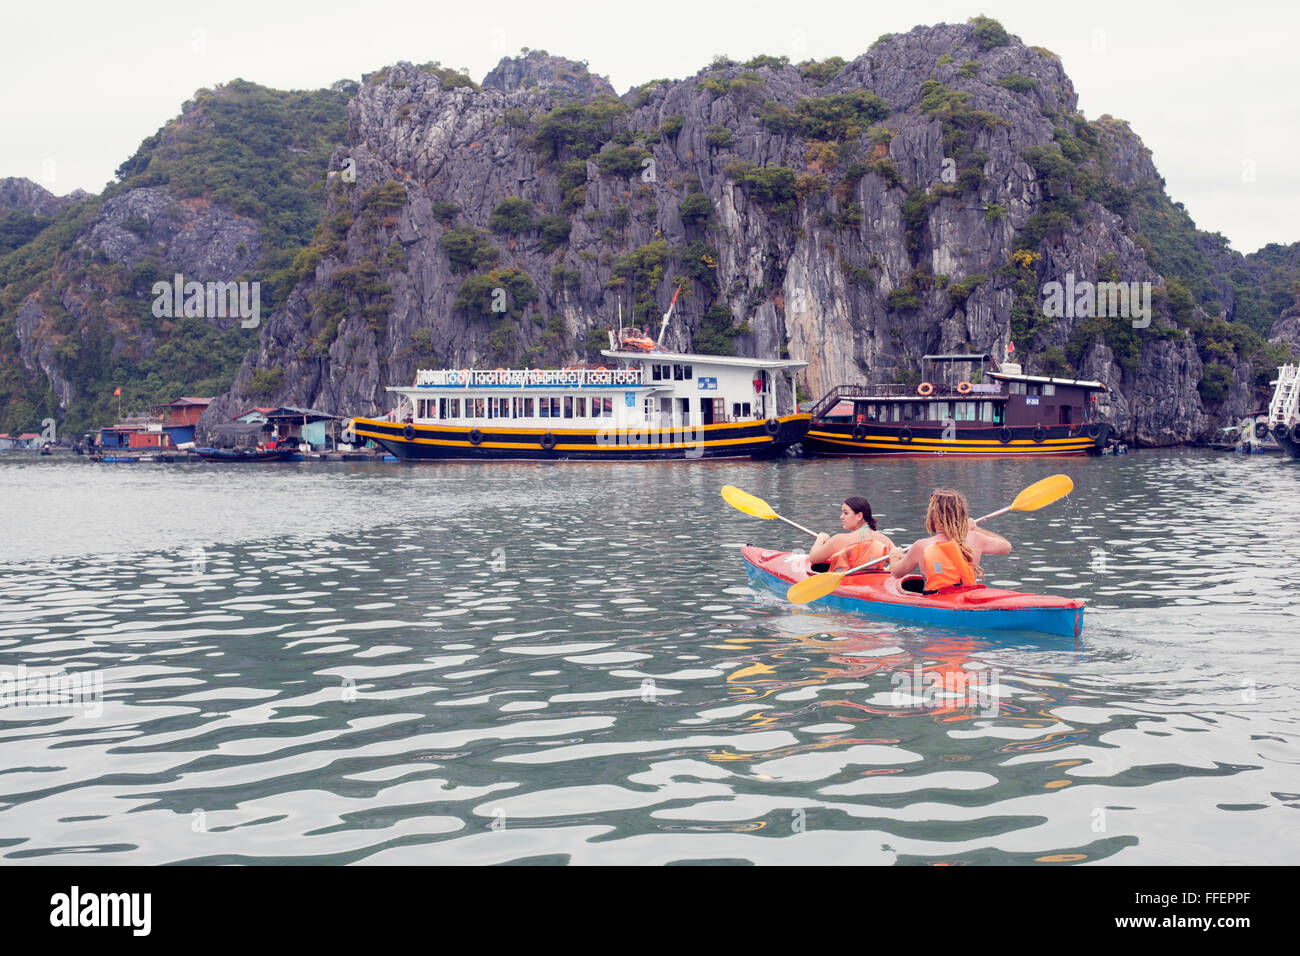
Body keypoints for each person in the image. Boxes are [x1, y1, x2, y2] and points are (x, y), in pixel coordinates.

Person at [886, 489, 1011, 592]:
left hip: (937, 604)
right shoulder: (975, 538)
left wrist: (894, 557)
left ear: (933, 517)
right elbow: (1006, 547)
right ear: (962, 515)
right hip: (969, 597)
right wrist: (977, 529)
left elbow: (897, 573)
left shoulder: (921, 546)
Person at [809, 496, 894, 574]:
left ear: (859, 516)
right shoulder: (885, 540)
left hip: (845, 585)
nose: (841, 517)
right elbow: (898, 564)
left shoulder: (839, 540)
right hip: (873, 585)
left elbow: (813, 558)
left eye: (846, 513)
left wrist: (821, 538)